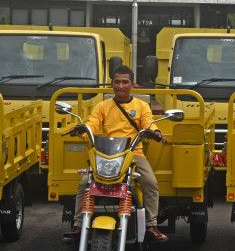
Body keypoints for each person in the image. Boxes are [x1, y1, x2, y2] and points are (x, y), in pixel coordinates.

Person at [71, 65, 167, 241]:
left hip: (133, 153)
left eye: (125, 82)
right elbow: (93, 123)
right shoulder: (102, 106)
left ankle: (151, 225)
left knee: (151, 183)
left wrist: (156, 132)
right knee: (85, 183)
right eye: (117, 82)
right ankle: (78, 225)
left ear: (132, 84)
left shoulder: (142, 106)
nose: (121, 86)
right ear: (112, 84)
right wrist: (83, 129)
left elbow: (148, 123)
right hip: (106, 154)